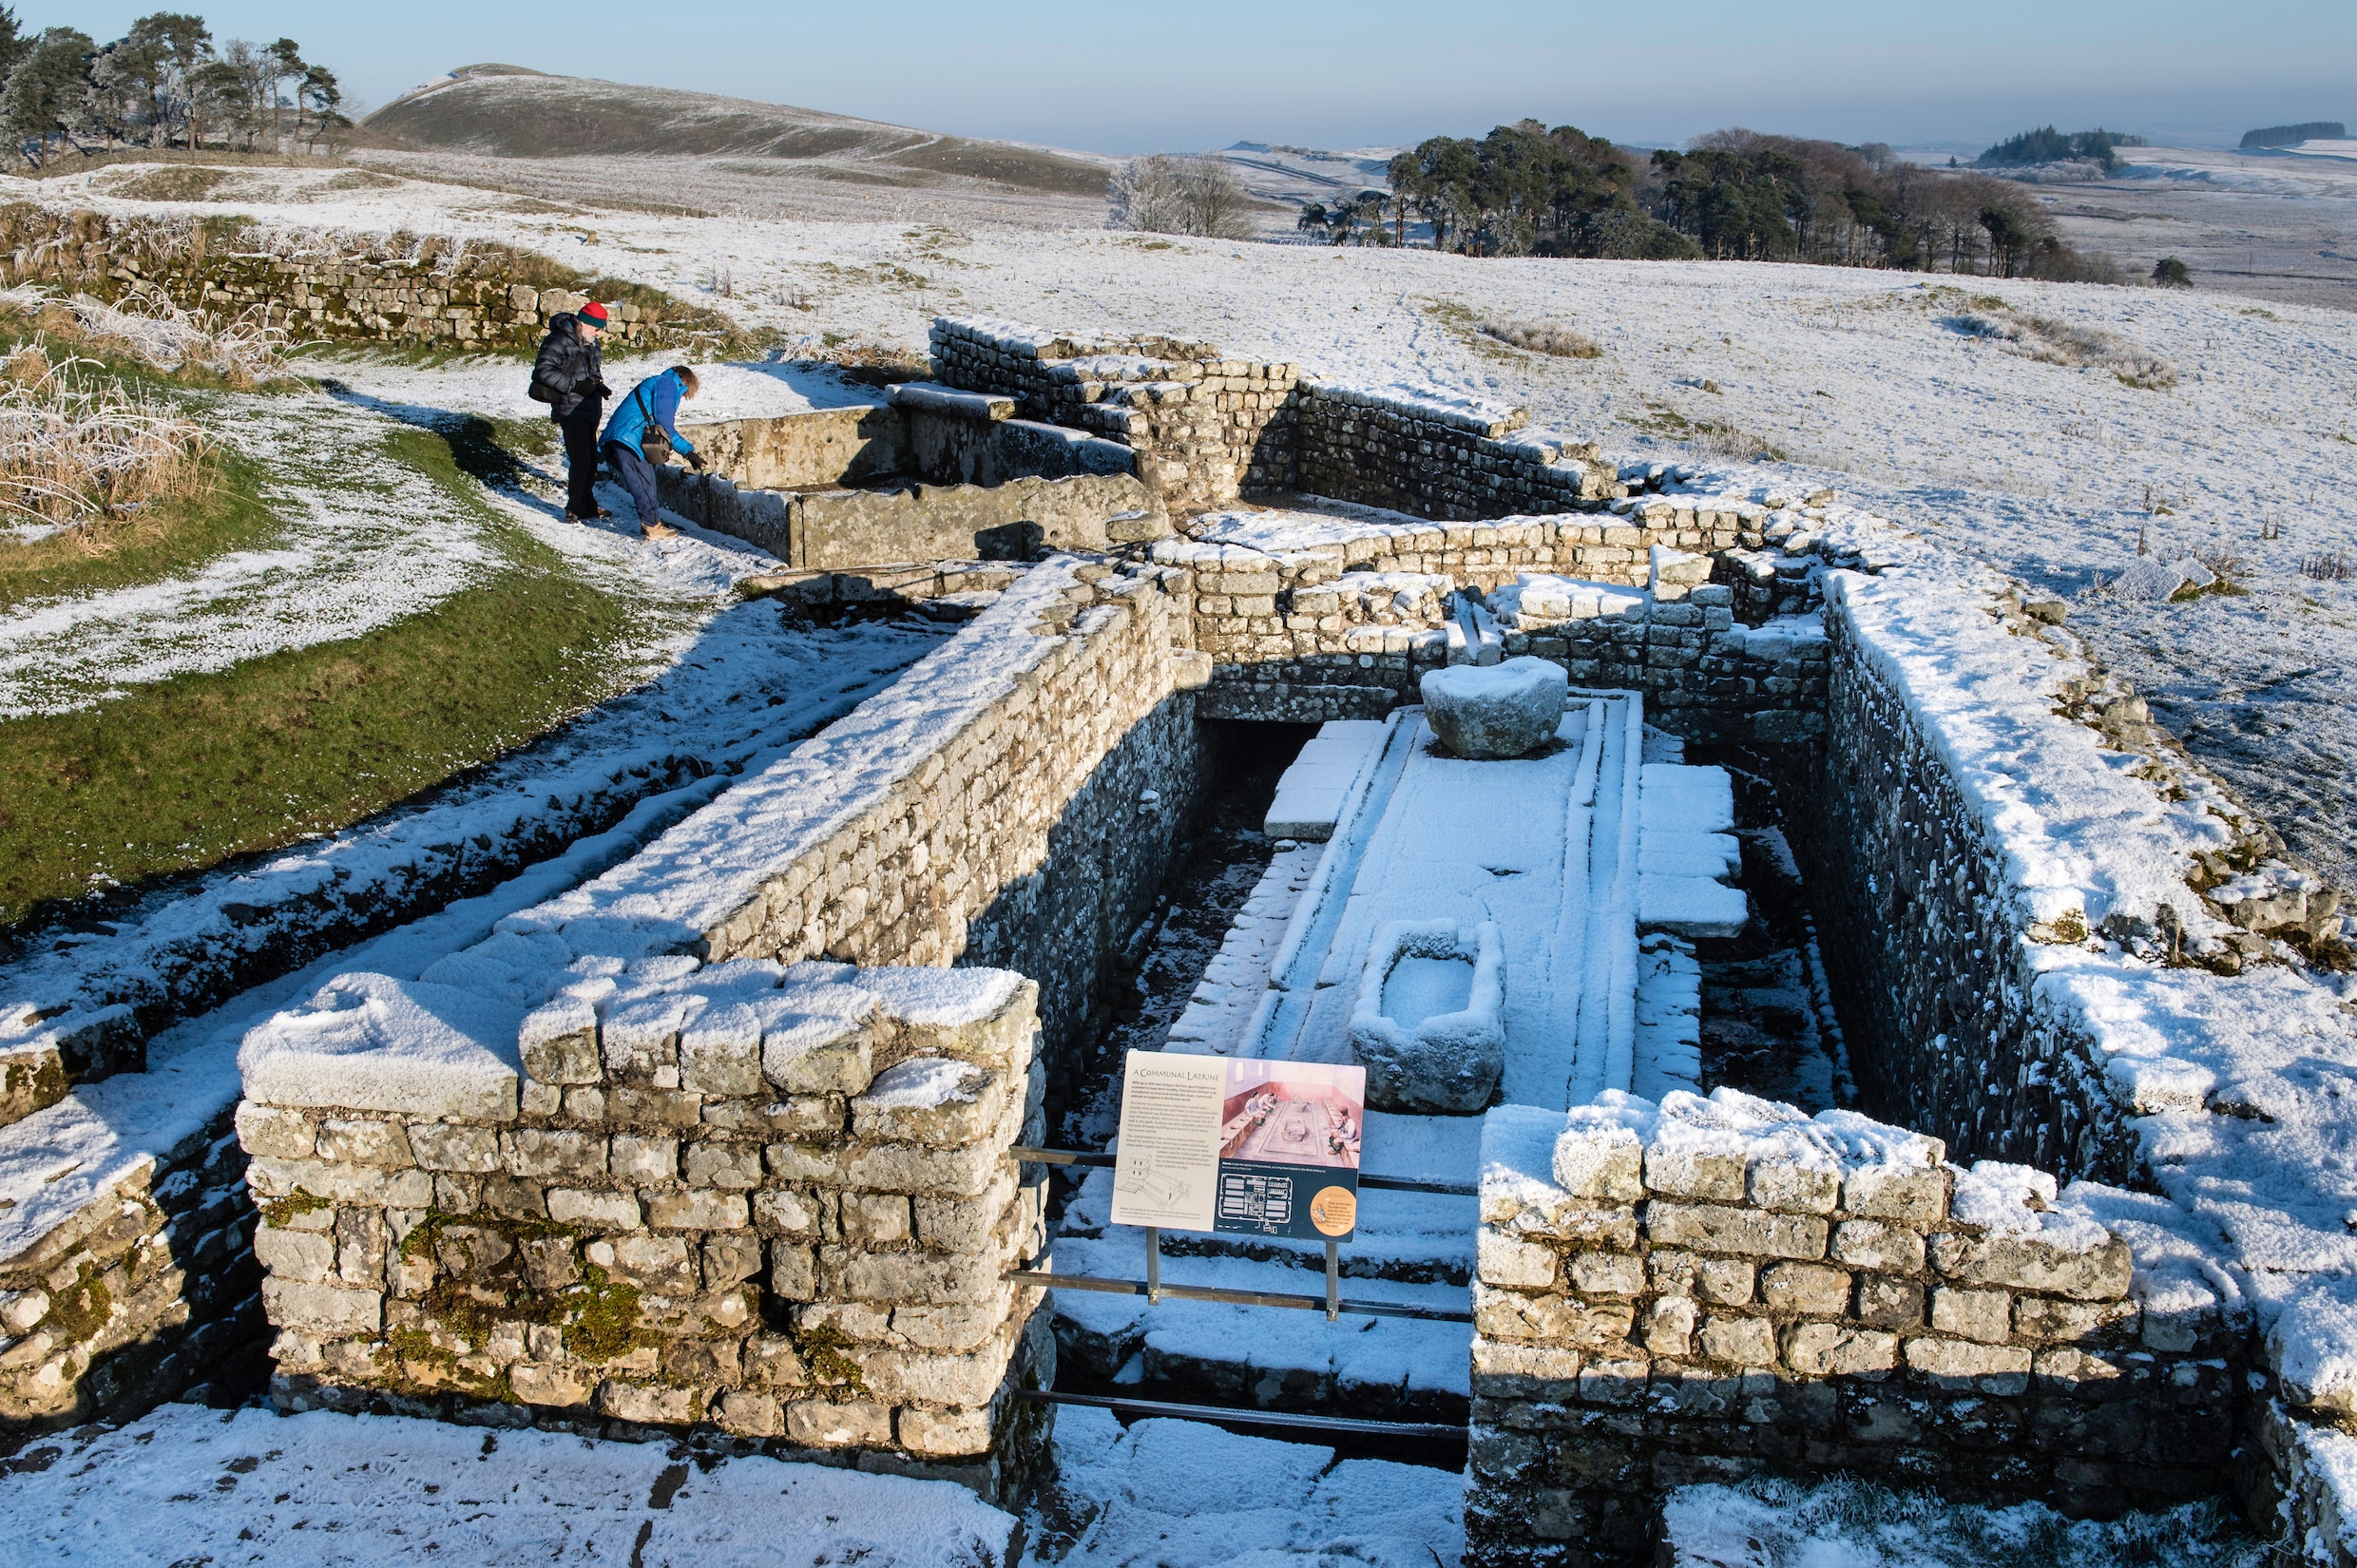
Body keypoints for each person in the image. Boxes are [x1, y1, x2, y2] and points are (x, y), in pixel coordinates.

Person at [528, 300, 612, 524]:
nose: (599, 332)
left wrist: (598, 386)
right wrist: (574, 386)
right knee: (581, 460)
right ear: (583, 323)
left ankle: (588, 505)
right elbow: (543, 371)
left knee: (590, 461)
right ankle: (574, 507)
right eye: (597, 327)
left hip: (589, 407)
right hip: (570, 409)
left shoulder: (589, 342)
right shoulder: (558, 340)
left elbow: (591, 371)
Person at [599, 365, 705, 537]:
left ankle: (653, 521)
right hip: (628, 437)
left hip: (625, 435)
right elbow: (665, 425)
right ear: (685, 380)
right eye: (685, 392)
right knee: (642, 483)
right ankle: (651, 525)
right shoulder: (667, 384)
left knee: (646, 482)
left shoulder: (659, 382)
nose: (683, 396)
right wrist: (688, 451)